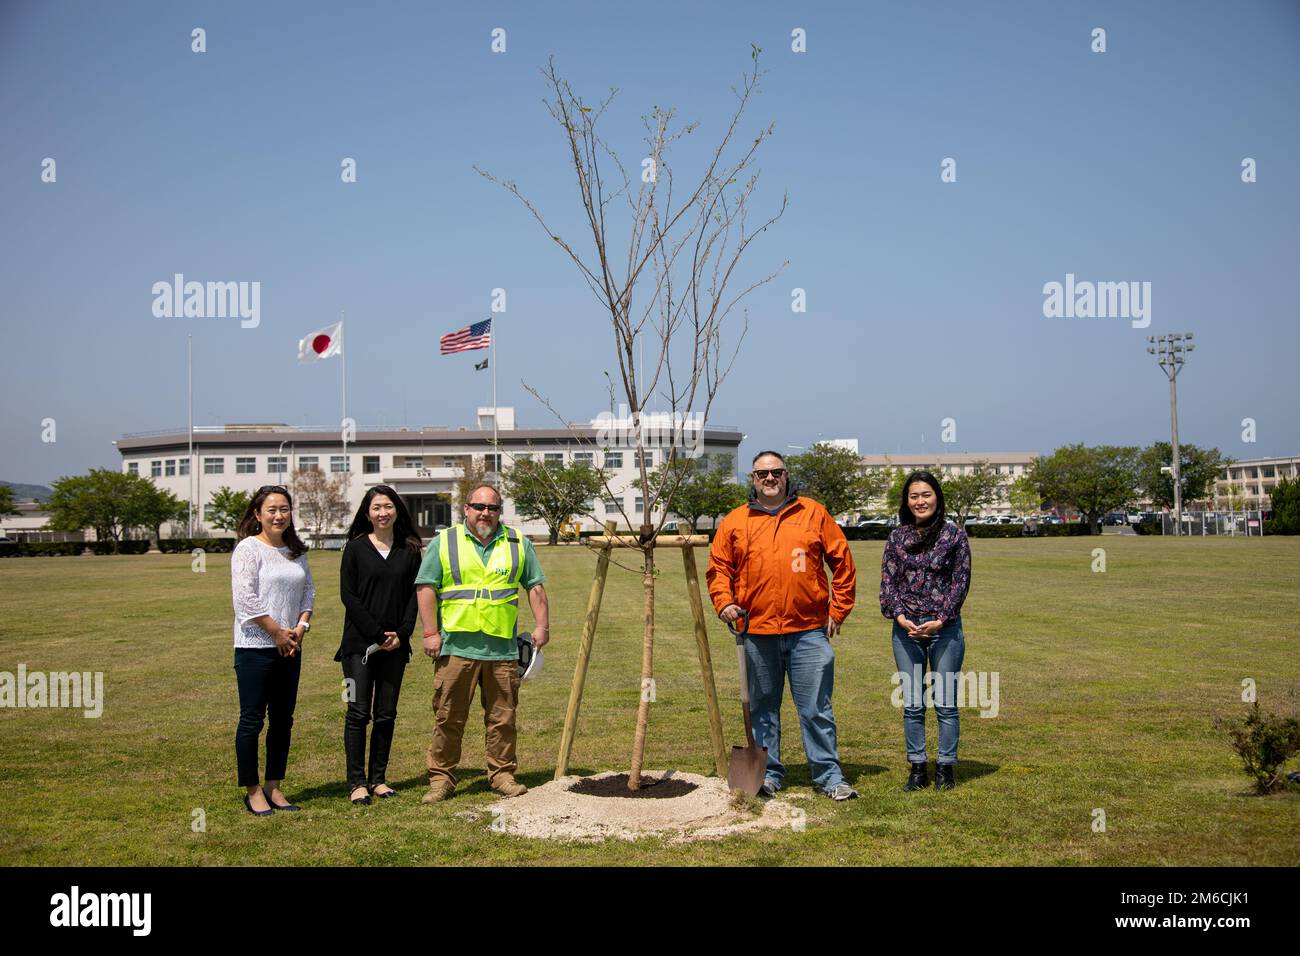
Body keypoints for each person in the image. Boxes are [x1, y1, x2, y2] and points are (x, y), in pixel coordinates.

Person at [706, 450, 859, 801]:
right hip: (756, 632)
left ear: (787, 475)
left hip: (808, 631)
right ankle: (768, 774)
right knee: (762, 707)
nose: (770, 479)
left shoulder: (813, 513)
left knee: (816, 708)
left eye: (776, 472)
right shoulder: (736, 521)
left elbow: (843, 561)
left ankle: (829, 776)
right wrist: (725, 602)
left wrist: (838, 609)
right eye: (762, 474)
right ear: (753, 480)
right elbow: (718, 568)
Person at [414, 483, 549, 803]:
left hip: (502, 649)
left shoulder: (518, 543)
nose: (486, 513)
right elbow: (426, 587)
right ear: (466, 509)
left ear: (499, 511)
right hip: (456, 647)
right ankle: (442, 779)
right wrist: (430, 633)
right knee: (449, 717)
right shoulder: (445, 542)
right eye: (479, 507)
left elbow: (535, 586)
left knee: (503, 718)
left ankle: (502, 774)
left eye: (493, 508)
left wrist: (542, 626)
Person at [880, 471, 972, 791]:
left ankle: (945, 768)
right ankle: (918, 768)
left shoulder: (954, 536)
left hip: (944, 631)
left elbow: (960, 583)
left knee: (946, 703)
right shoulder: (897, 538)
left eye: (926, 494)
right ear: (907, 502)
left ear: (938, 498)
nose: (921, 501)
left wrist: (942, 618)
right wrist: (900, 616)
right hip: (906, 630)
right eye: (914, 496)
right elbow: (888, 583)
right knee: (913, 703)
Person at [230, 485, 314, 815]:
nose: (278, 515)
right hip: (255, 647)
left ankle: (274, 787)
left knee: (283, 720)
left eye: (284, 509)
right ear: (258, 514)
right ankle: (252, 791)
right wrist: (276, 631)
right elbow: (244, 598)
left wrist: (300, 627)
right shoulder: (248, 549)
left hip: (290, 648)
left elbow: (309, 591)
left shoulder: (297, 551)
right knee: (252, 720)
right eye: (271, 510)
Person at [336, 485, 423, 805]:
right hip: (358, 648)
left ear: (397, 510)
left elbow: (417, 594)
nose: (382, 513)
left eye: (388, 506)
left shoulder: (410, 549)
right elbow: (349, 596)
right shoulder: (355, 549)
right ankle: (356, 782)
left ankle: (378, 779)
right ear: (367, 513)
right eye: (376, 508)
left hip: (396, 647)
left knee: (386, 714)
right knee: (357, 713)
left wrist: (402, 633)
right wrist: (376, 633)